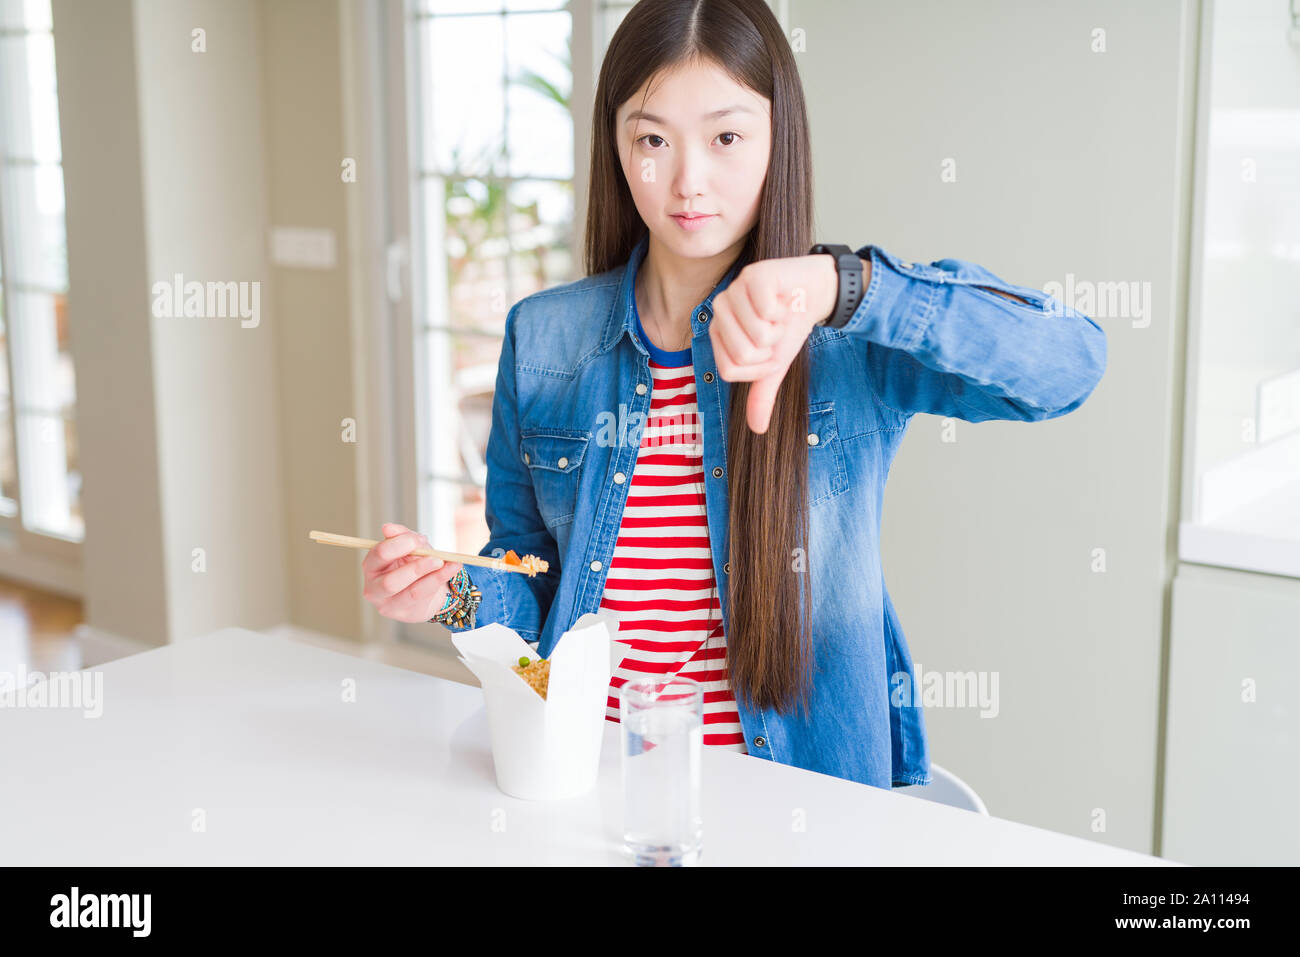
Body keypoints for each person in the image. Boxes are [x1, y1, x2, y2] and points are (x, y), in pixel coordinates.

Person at [363, 0, 1106, 788]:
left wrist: (846, 285)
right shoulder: (544, 340)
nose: (688, 181)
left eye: (726, 137)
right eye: (652, 138)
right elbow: (532, 580)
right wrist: (454, 592)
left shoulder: (845, 333)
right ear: (615, 146)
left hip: (799, 814)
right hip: (595, 791)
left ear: (777, 138)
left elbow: (1069, 364)